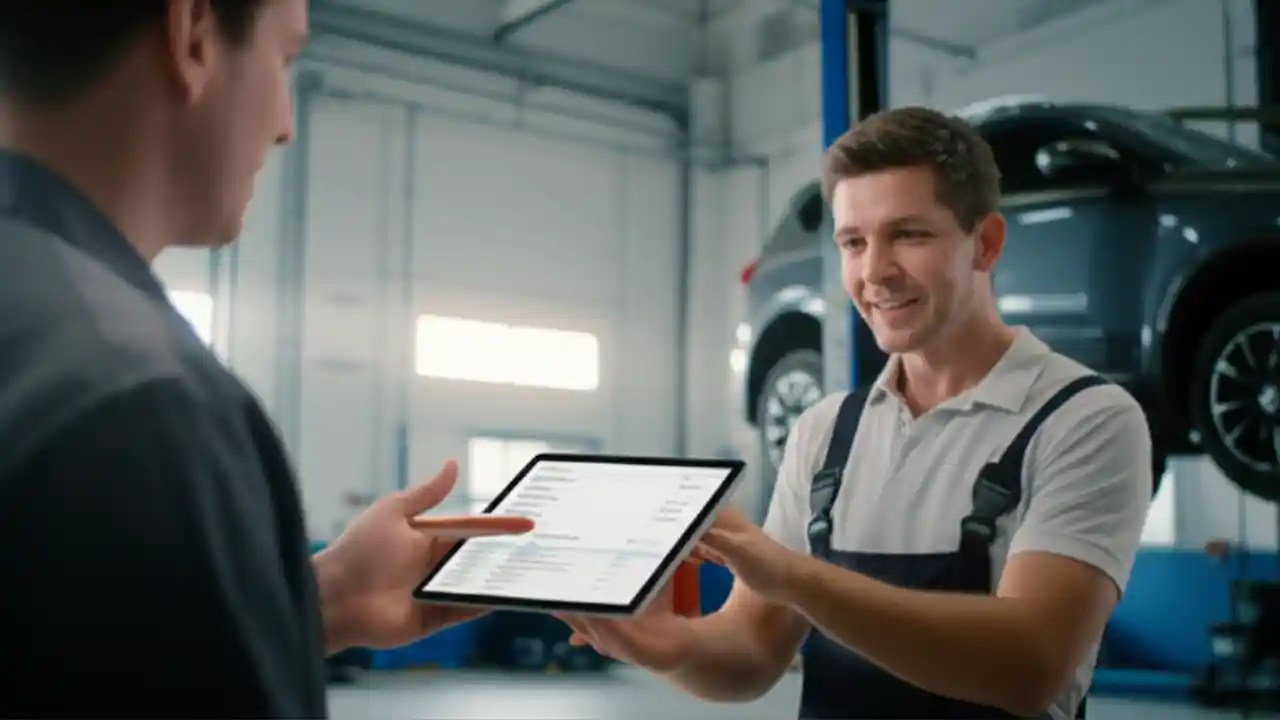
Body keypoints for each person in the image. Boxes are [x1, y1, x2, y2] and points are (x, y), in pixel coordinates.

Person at [0, 1, 531, 716]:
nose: (285, 125)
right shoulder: (145, 406)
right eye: (283, 60)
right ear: (191, 34)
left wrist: (326, 599)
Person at [560, 106, 1154, 719]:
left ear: (987, 243)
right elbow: (751, 651)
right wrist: (670, 647)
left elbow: (1029, 664)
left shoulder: (1085, 420)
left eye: (909, 234)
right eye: (853, 242)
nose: (874, 271)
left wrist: (796, 577)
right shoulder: (825, 433)